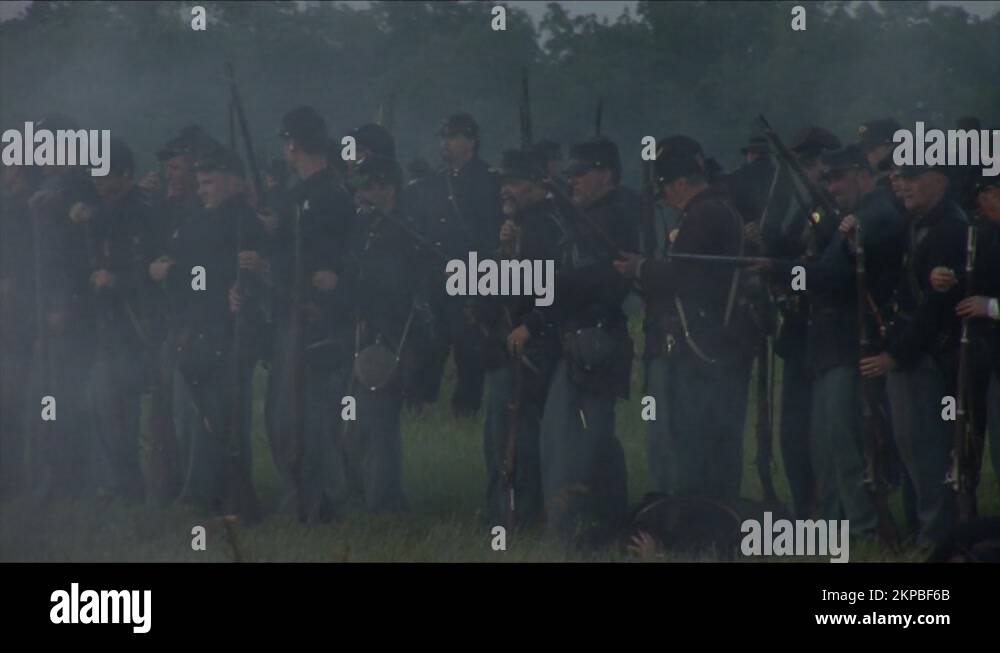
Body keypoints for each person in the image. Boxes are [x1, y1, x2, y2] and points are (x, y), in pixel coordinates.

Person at [616, 147, 750, 503]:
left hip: (696, 344)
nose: (666, 199)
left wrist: (641, 268)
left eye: (667, 188)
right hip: (708, 343)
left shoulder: (703, 215)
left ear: (680, 183)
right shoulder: (715, 210)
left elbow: (684, 277)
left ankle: (687, 517)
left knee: (685, 437)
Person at [154, 146, 267, 519]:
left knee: (222, 420)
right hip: (196, 331)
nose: (201, 189)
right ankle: (199, 492)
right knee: (193, 419)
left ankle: (219, 496)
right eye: (199, 182)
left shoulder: (244, 223)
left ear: (232, 182)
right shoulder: (200, 219)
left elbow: (212, 279)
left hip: (224, 334)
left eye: (209, 182)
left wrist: (176, 274)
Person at [861, 162, 967, 546]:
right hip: (915, 348)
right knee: (913, 448)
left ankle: (935, 538)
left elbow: (934, 308)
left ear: (939, 179)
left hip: (927, 355)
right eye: (899, 178)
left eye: (911, 178)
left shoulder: (949, 228)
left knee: (924, 449)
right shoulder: (919, 223)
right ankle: (926, 531)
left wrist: (897, 355)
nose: (901, 185)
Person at [537, 138, 635, 547]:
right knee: (588, 442)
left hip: (594, 340)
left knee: (571, 445)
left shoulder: (613, 218)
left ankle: (575, 535)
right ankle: (603, 528)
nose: (573, 179)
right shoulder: (590, 217)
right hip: (582, 340)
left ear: (607, 174)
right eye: (571, 173)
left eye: (582, 172)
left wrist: (549, 283)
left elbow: (605, 281)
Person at [262, 105, 356, 522]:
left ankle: (321, 502)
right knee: (288, 416)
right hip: (291, 315)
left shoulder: (330, 196)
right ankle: (310, 498)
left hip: (318, 321)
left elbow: (340, 262)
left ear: (293, 145)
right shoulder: (302, 196)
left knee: (309, 418)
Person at [479, 147, 567, 529]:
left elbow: (555, 287)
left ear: (535, 186)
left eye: (513, 182)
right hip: (512, 345)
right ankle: (505, 512)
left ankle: (518, 515)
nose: (505, 189)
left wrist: (530, 324)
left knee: (518, 439)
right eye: (503, 182)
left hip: (531, 348)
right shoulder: (524, 226)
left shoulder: (545, 227)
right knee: (501, 436)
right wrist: (505, 251)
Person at [338, 155, 425, 513]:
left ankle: (385, 504)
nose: (368, 193)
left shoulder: (402, 230)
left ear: (389, 187)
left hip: (390, 336)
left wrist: (353, 287)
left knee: (379, 426)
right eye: (365, 186)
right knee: (356, 423)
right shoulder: (365, 227)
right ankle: (362, 494)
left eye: (375, 186)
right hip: (362, 334)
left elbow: (394, 286)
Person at [405, 113, 504, 416]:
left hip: (472, 276)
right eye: (443, 137)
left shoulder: (490, 180)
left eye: (453, 137)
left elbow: (491, 235)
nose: (445, 143)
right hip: (435, 276)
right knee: (430, 343)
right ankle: (423, 403)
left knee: (469, 347)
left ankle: (466, 409)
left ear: (471, 140)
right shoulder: (434, 182)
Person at [86, 138, 157, 503]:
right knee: (105, 403)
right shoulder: (103, 211)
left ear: (125, 175)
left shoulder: (141, 212)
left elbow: (149, 268)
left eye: (105, 173)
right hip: (108, 322)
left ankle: (131, 486)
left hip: (133, 323)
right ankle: (118, 482)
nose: (98, 180)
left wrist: (116, 281)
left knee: (123, 407)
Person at [0, 163, 40, 498]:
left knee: (16, 403)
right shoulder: (13, 210)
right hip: (13, 321)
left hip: (18, 321)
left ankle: (16, 481)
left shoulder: (22, 212)